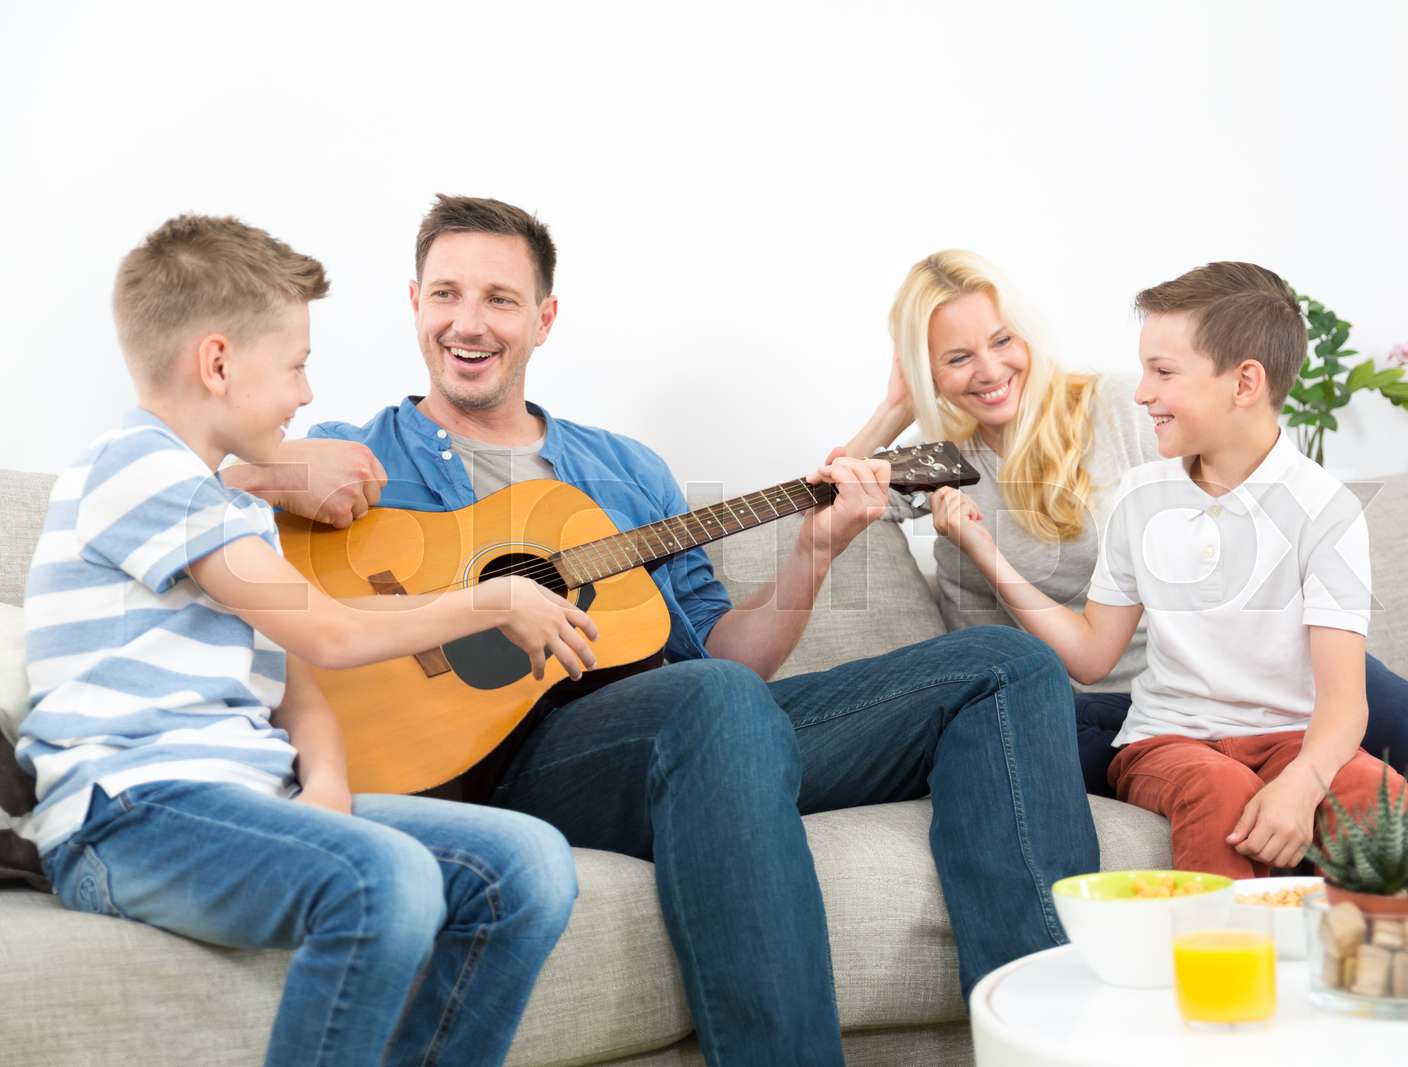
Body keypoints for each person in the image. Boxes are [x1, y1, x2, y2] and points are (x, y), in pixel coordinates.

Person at [223, 195, 1099, 1066]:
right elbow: (193, 487)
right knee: (712, 704)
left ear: (543, 318)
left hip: (692, 727)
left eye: (500, 298)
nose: (469, 321)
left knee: (1007, 666)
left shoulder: (625, 470)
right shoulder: (358, 453)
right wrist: (276, 464)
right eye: (447, 293)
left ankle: (1045, 1047)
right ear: (415, 303)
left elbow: (732, 660)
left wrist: (812, 555)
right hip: (503, 764)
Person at [17, 215, 578, 1067]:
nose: (308, 395)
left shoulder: (237, 511)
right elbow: (333, 630)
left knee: (528, 865)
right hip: (128, 815)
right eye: (297, 365)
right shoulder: (130, 466)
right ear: (216, 363)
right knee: (385, 882)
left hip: (246, 799)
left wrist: (324, 785)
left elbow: (301, 678)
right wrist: (491, 597)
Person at [845, 250, 1408, 801]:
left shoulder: (1123, 408)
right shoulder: (942, 462)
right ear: (928, 370)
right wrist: (891, 409)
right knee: (1005, 746)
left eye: (1002, 340)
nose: (990, 368)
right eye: (956, 357)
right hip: (1135, 703)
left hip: (1254, 665)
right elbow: (830, 493)